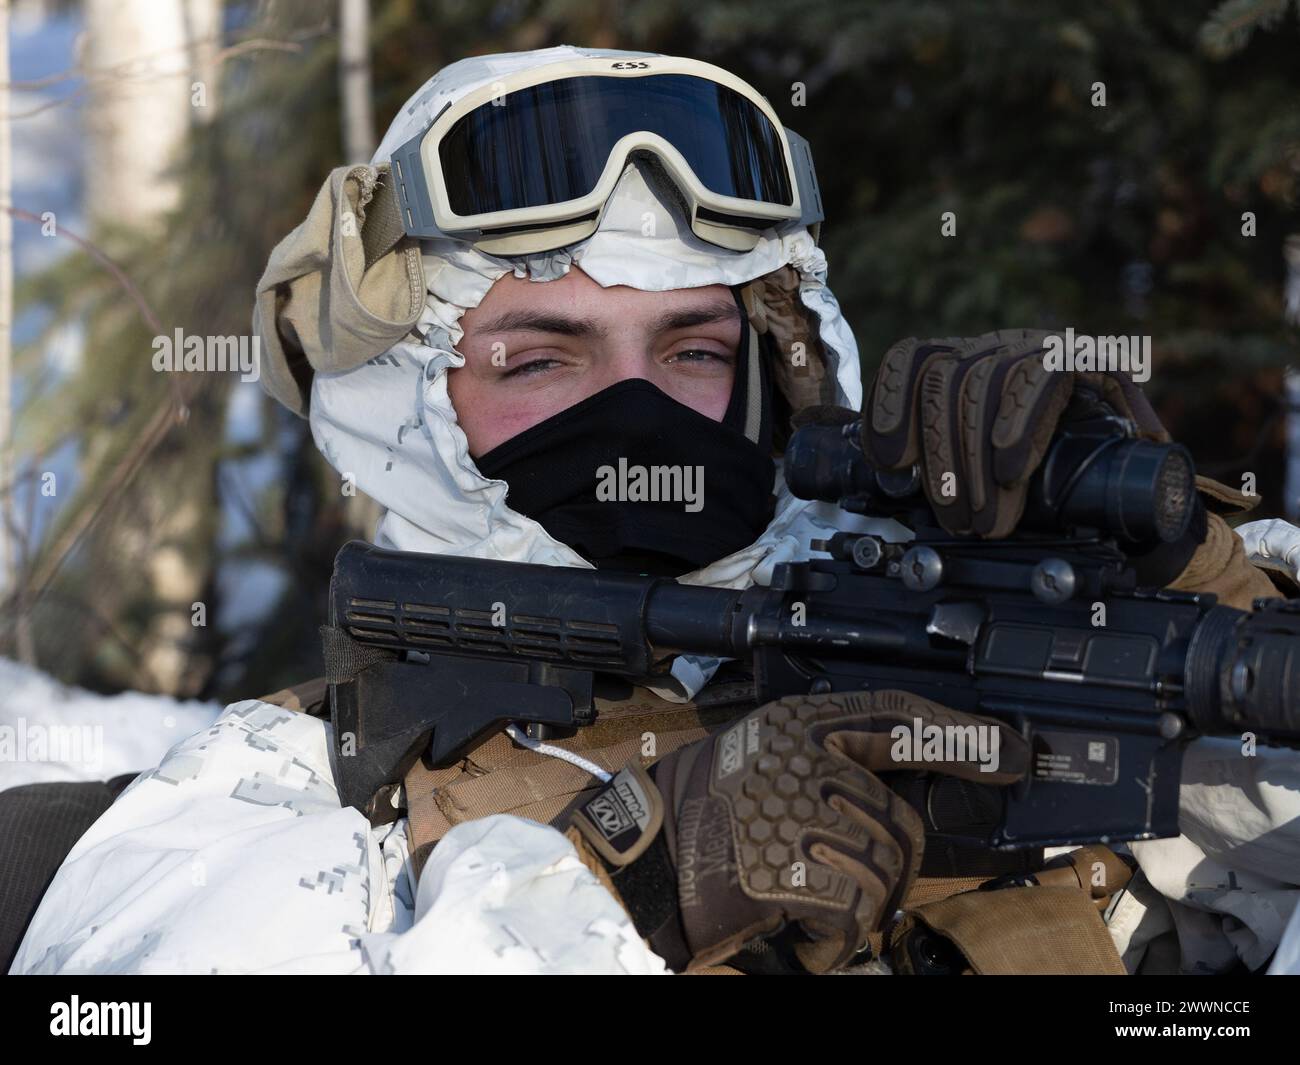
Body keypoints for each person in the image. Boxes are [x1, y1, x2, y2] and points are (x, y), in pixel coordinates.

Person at [10, 46, 1300, 975]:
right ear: (401, 401)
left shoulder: (975, 632)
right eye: (542, 358)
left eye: (691, 349)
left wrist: (1198, 589)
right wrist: (636, 880)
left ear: (774, 366)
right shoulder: (281, 799)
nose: (641, 424)